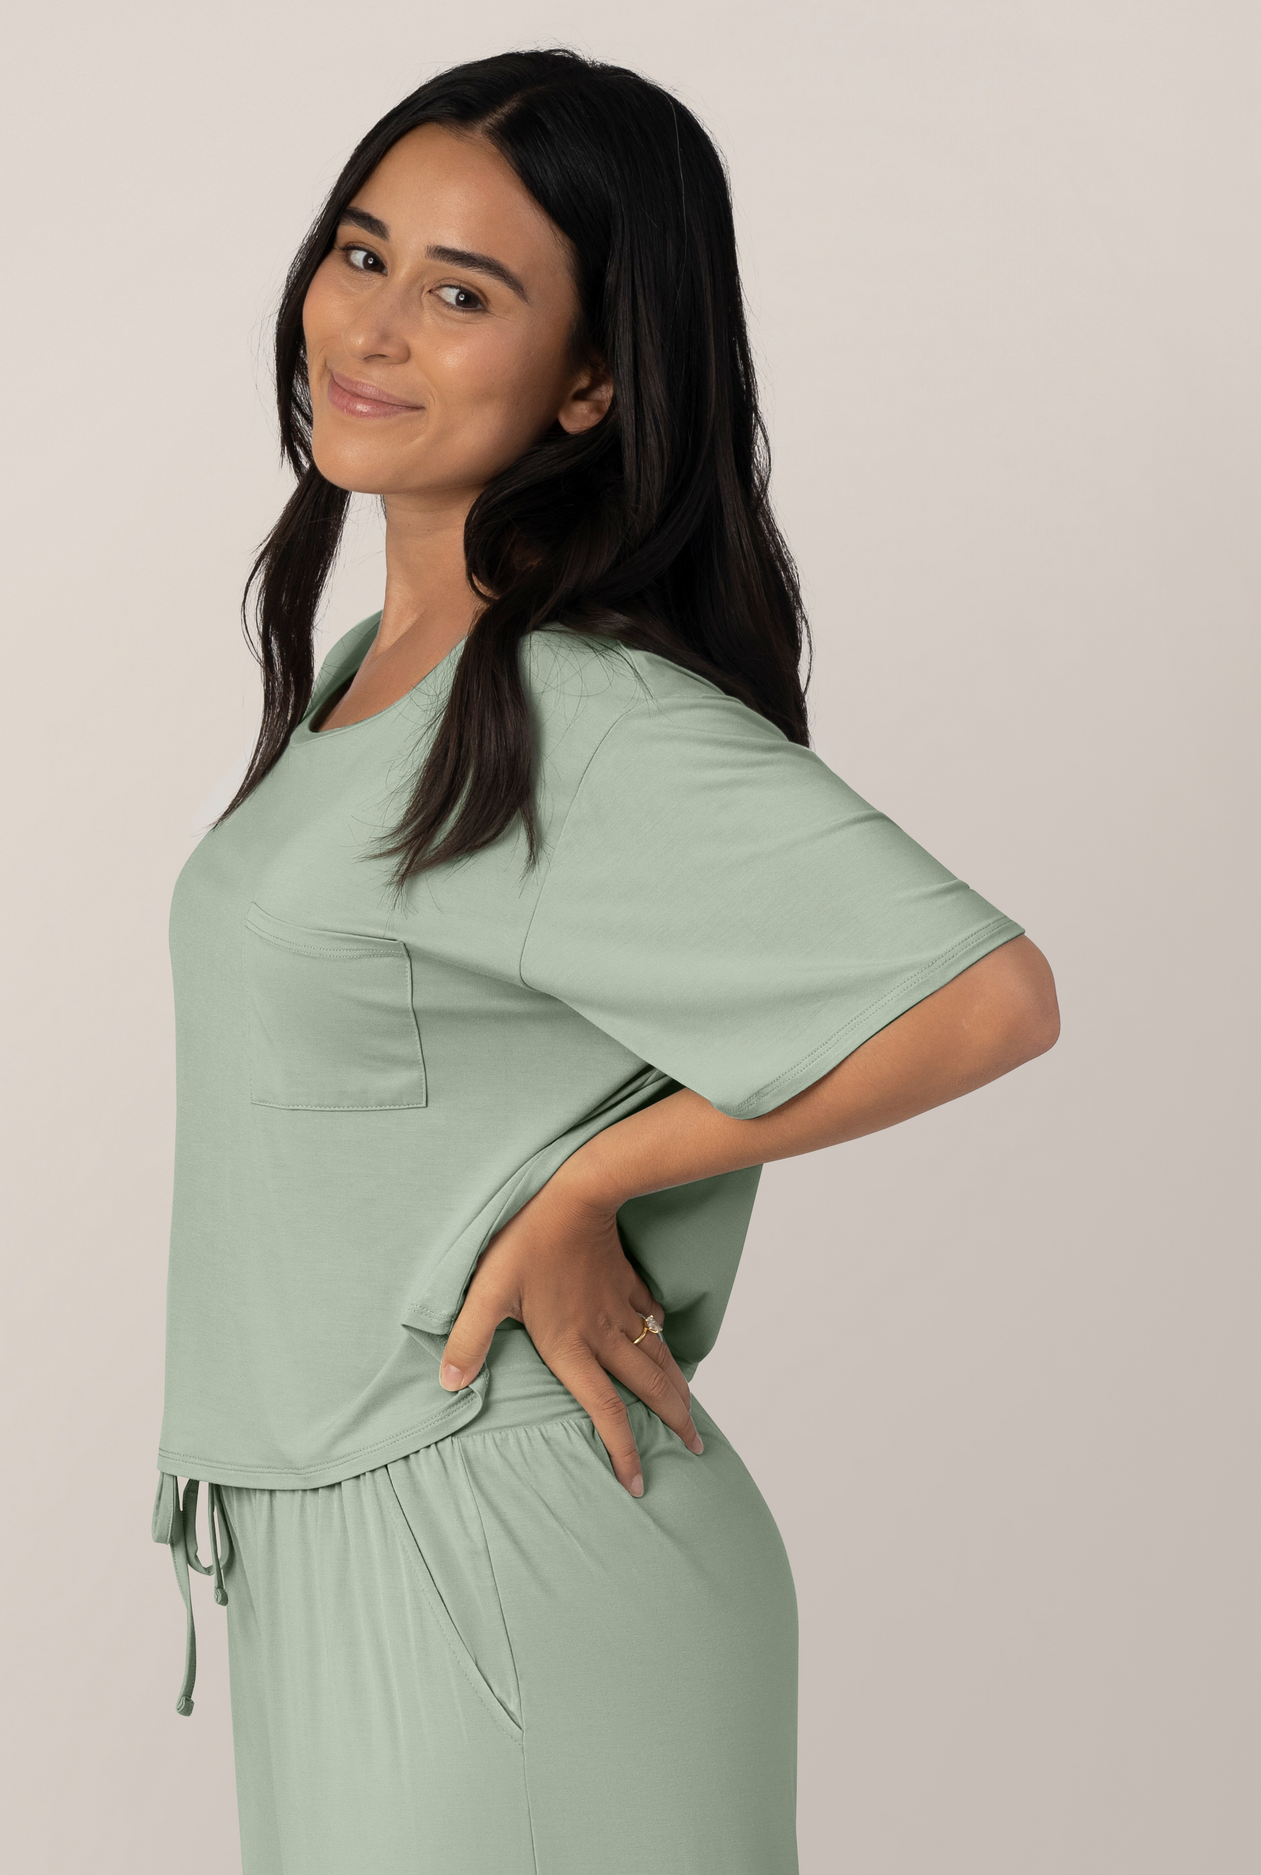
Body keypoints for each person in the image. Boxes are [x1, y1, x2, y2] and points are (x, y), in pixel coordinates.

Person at [151, 47, 1059, 1875]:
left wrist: (593, 1182)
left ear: (591, 379)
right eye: (362, 253)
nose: (372, 325)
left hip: (497, 1551)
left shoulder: (578, 711)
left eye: (462, 293)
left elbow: (989, 996)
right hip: (340, 1536)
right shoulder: (375, 680)